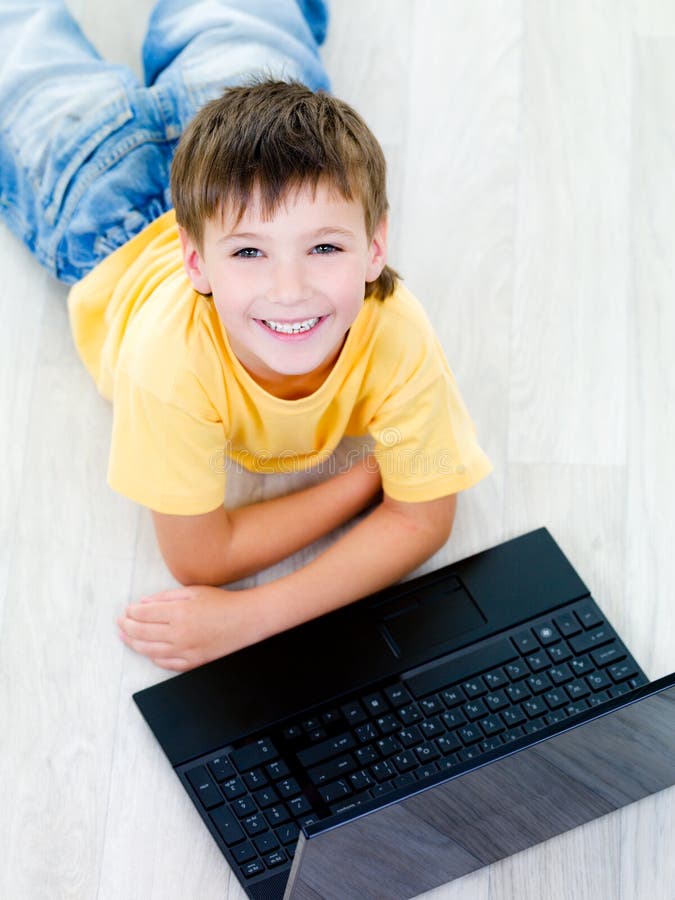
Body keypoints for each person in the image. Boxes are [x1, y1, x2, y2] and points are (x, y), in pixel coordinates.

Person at [0, 0, 492, 672]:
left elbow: (423, 520)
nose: (289, 289)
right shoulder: (167, 365)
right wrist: (370, 476)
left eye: (324, 247)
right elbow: (202, 558)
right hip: (103, 194)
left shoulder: (396, 330)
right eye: (251, 254)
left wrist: (252, 617)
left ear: (375, 248)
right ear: (196, 262)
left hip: (204, 166)